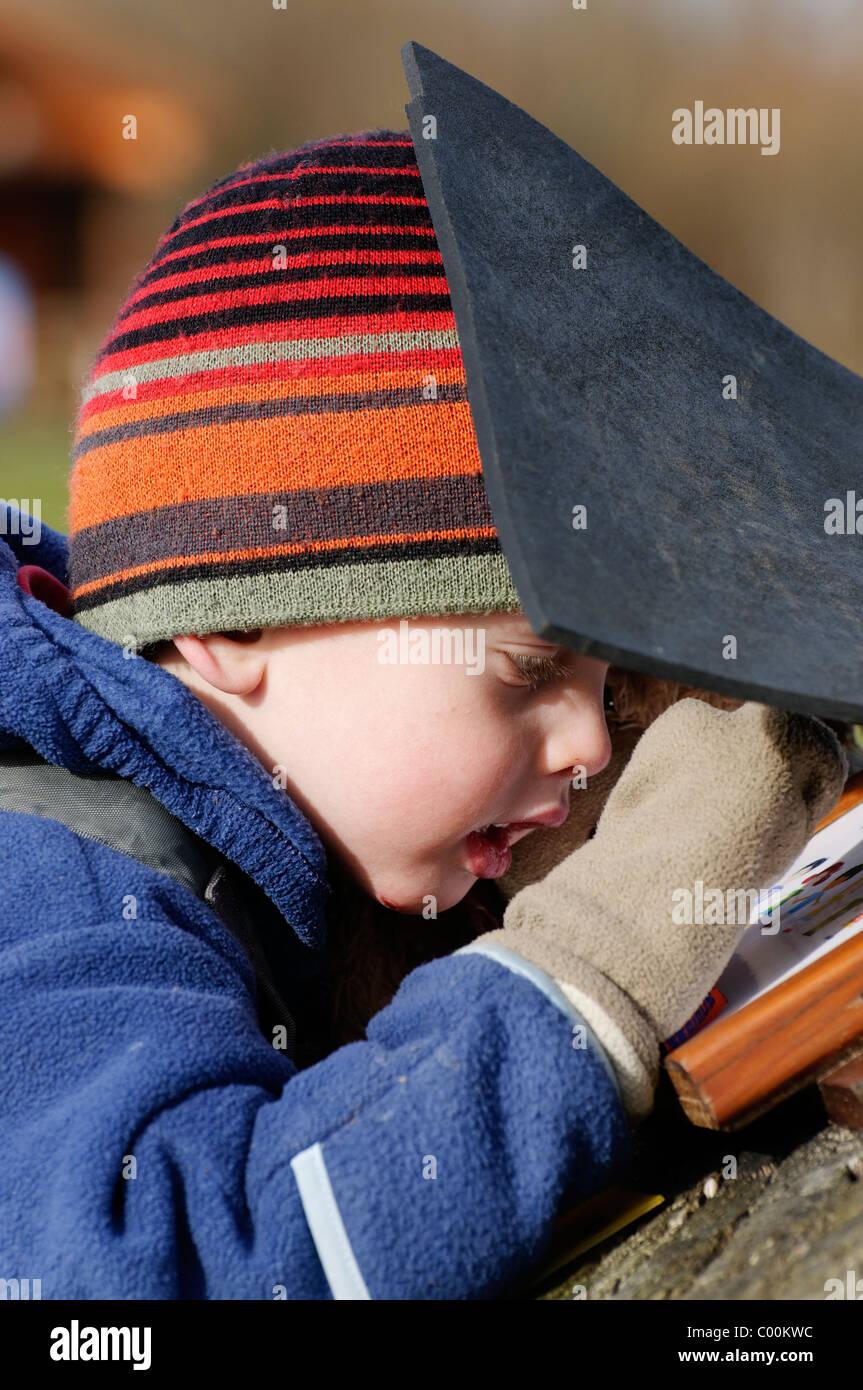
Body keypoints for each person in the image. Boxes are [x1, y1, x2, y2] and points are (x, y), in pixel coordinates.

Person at [0, 131, 846, 1300]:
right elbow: (191, 1278)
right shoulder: (61, 885)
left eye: (607, 685)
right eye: (521, 671)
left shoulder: (289, 833)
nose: (590, 740)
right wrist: (603, 946)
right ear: (233, 629)